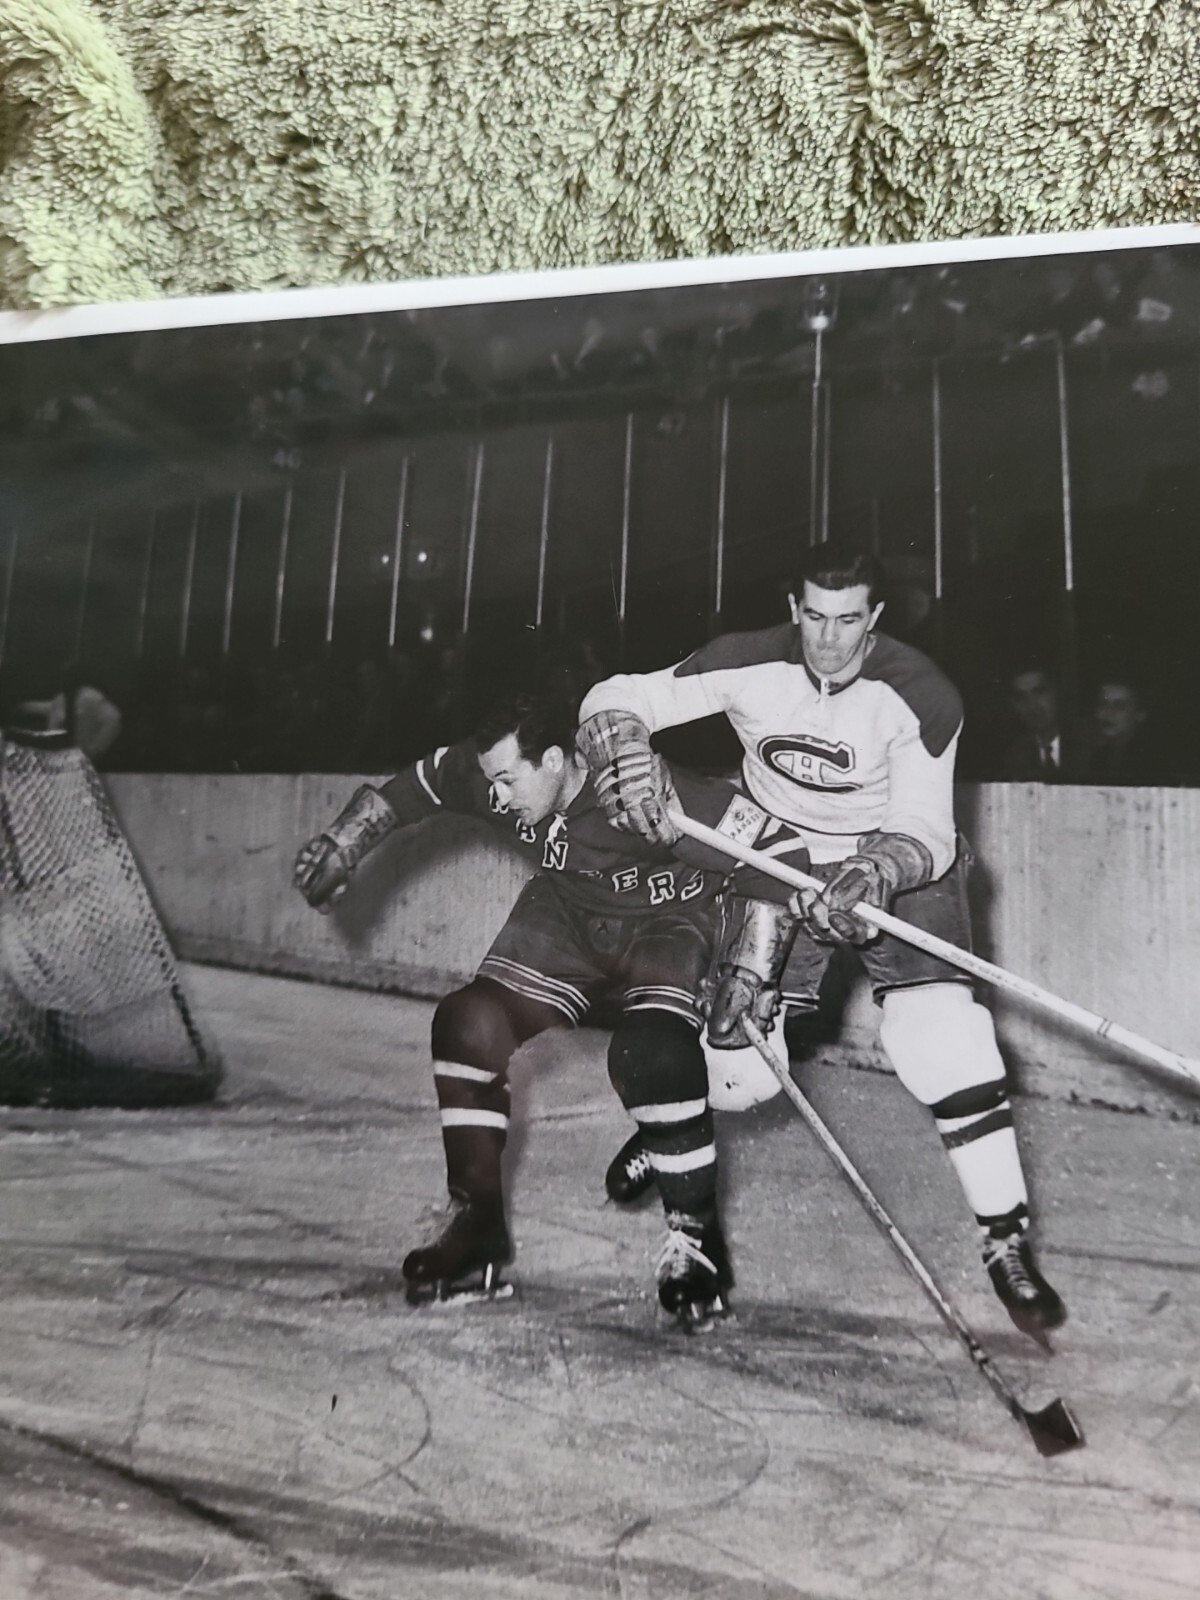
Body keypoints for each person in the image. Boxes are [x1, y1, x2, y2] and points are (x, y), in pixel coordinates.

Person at [577, 539, 1067, 1340]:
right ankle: (675, 1120)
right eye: (815, 617)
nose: (829, 639)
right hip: (777, 859)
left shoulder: (921, 693)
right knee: (745, 1075)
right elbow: (617, 693)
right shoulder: (746, 661)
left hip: (895, 865)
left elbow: (927, 830)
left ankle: (1005, 1242)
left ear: (874, 618)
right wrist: (624, 742)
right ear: (793, 609)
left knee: (944, 1039)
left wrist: (875, 872)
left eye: (848, 621)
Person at [293, 689, 801, 1331]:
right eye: (491, 783)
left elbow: (779, 853)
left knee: (650, 1055)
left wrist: (751, 971)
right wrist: (342, 844)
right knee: (468, 1022)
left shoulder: (642, 789)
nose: (496, 798)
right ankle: (475, 1227)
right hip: (567, 915)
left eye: (507, 780)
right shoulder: (498, 775)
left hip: (666, 923)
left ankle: (697, 1243)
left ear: (556, 761)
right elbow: (417, 786)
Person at [999, 664, 1076, 782]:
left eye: (1039, 692)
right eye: (1021, 697)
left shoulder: (1090, 748)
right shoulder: (1013, 757)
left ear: (1056, 692)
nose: (1032, 706)